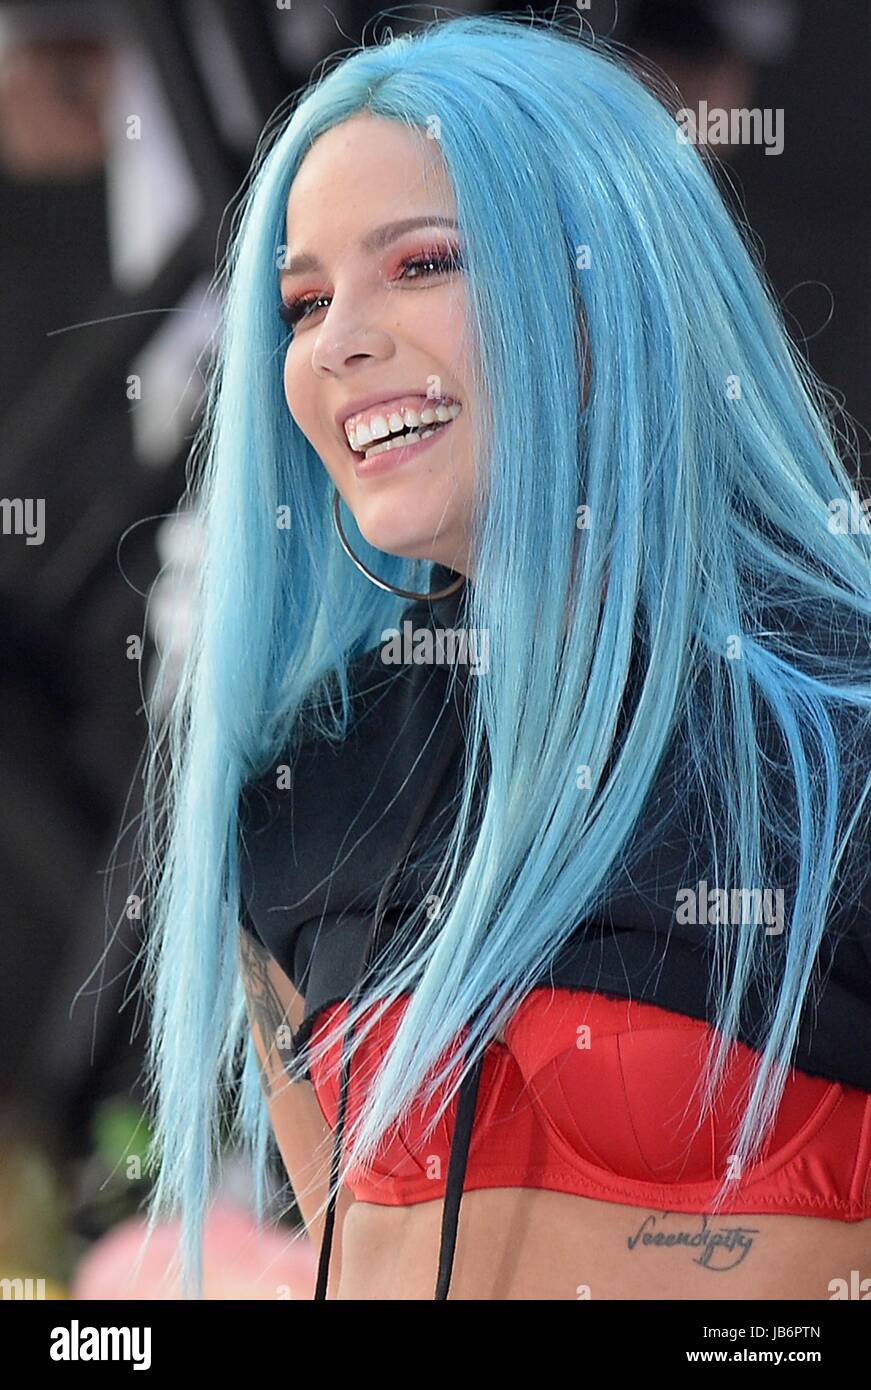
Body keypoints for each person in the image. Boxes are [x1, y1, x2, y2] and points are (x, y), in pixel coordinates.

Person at [137, 13, 871, 1300]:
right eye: (304, 301)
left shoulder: (834, 737)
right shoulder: (304, 779)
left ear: (608, 290)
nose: (338, 341)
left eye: (420, 264)